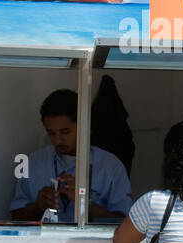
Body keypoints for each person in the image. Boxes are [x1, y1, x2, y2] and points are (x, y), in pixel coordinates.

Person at [10, 89, 132, 223]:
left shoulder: (111, 166)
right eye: (51, 133)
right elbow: (15, 218)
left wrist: (86, 205)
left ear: (84, 126)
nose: (57, 140)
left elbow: (126, 223)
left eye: (65, 132)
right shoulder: (32, 163)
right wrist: (37, 206)